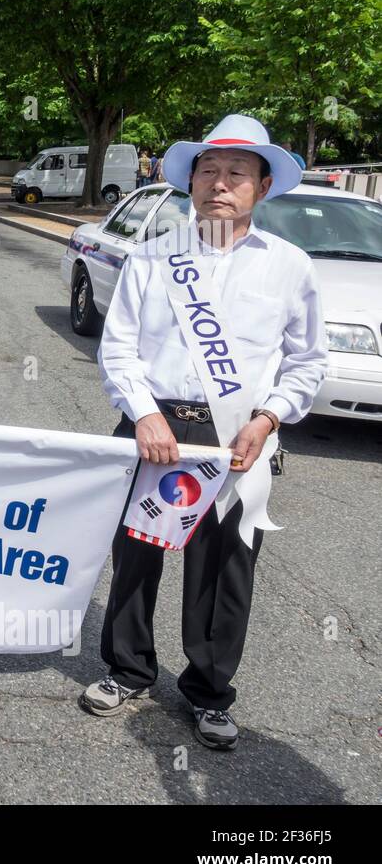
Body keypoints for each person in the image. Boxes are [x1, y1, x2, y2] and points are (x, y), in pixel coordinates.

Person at [88, 114, 328, 751]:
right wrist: (143, 413)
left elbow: (307, 361)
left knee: (223, 570)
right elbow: (118, 349)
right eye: (210, 170)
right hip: (153, 424)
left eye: (237, 173)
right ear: (191, 180)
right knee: (136, 555)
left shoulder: (291, 267)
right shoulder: (152, 256)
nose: (220, 184)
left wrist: (269, 416)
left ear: (262, 185)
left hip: (237, 434)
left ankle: (209, 690)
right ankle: (127, 670)